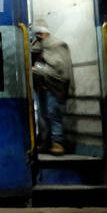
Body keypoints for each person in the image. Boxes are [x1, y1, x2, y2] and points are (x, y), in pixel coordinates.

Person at [30, 20, 72, 154]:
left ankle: (57, 142)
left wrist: (38, 69)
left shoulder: (57, 46)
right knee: (43, 115)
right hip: (41, 86)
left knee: (54, 113)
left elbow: (60, 70)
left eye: (39, 34)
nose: (38, 37)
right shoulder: (36, 47)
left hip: (53, 86)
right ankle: (46, 141)